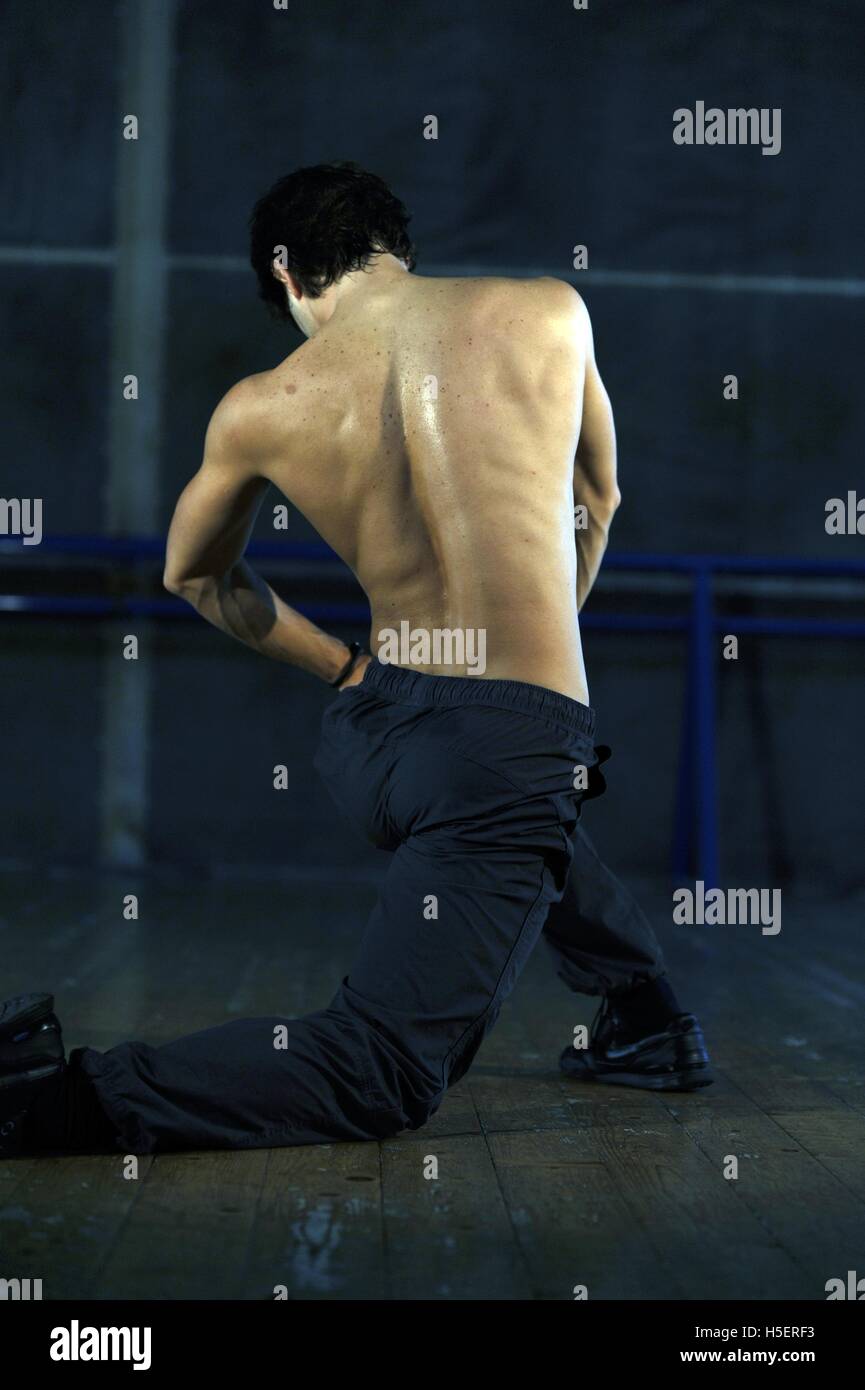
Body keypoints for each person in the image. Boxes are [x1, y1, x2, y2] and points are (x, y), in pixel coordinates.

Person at [0, 163, 711, 1158]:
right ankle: (47, 1100)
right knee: (380, 1065)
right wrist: (540, 652)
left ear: (288, 276)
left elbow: (191, 575)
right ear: (399, 248)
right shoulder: (550, 311)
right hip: (498, 748)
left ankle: (643, 1010)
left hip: (376, 737)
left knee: (535, 792)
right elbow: (601, 494)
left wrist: (342, 668)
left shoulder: (260, 403)